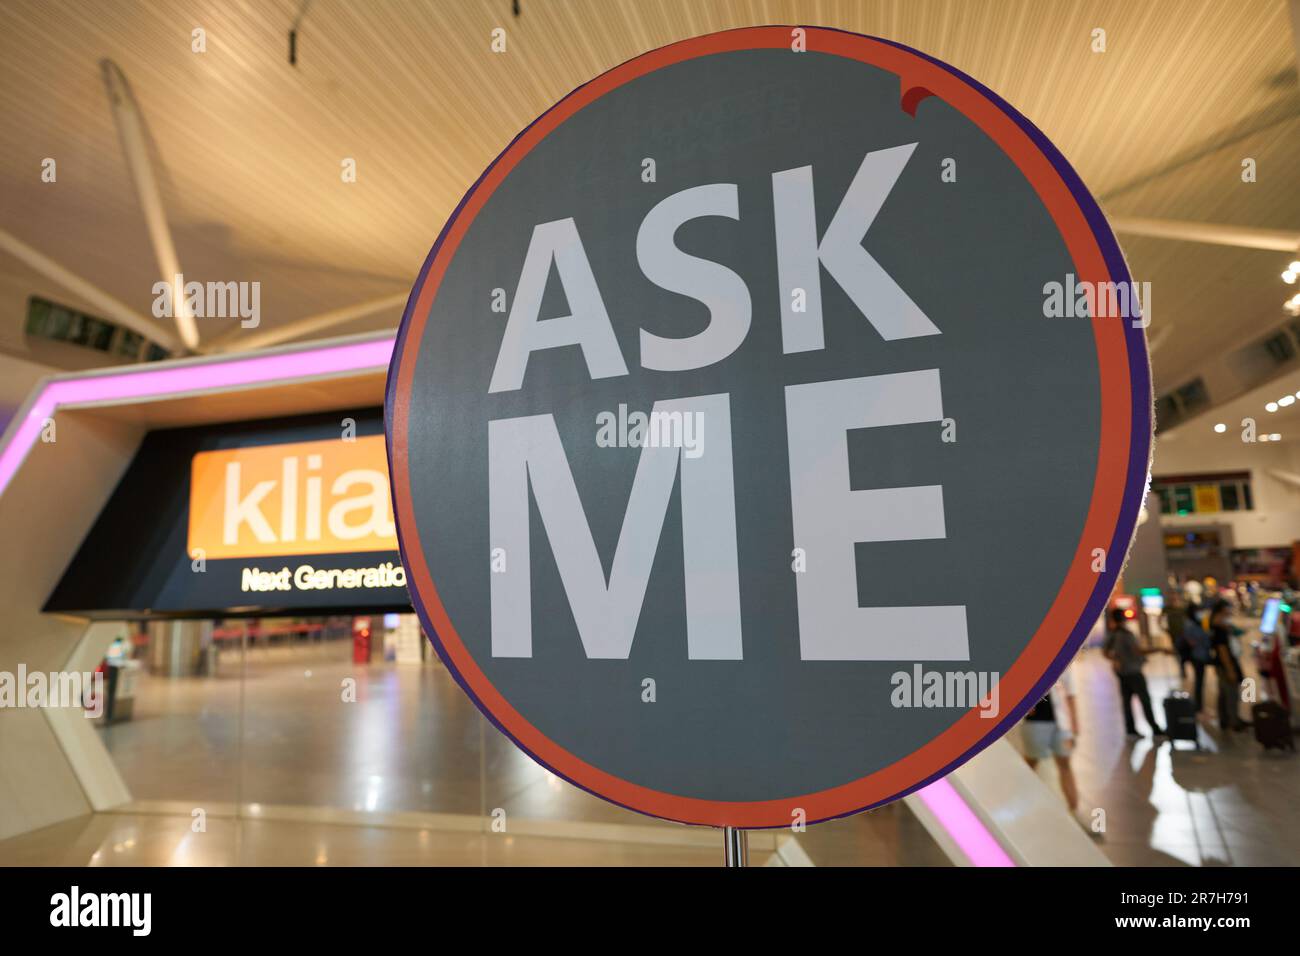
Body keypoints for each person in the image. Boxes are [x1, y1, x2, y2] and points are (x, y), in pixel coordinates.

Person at [1021, 664, 1090, 832]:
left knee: (1065, 763)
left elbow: (1071, 694)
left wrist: (1074, 725)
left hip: (1061, 722)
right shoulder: (1027, 661)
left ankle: (1075, 810)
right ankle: (1022, 807)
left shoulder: (1064, 662)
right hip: (1035, 722)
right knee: (1031, 763)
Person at [1103, 608, 1167, 738]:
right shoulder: (1126, 634)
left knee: (1127, 701)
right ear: (1124, 619)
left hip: (1122, 672)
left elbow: (1105, 652)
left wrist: (1115, 659)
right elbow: (1137, 650)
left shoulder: (1113, 634)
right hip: (1133, 672)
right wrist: (1159, 649)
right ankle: (1155, 728)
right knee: (1145, 700)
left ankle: (1130, 728)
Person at [1207, 599, 1248, 732]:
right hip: (1225, 664)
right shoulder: (1219, 630)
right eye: (1227, 610)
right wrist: (1230, 669)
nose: (1229, 613)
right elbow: (1222, 650)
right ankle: (1233, 721)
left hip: (1222, 664)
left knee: (1224, 693)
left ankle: (1224, 720)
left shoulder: (1217, 627)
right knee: (1231, 693)